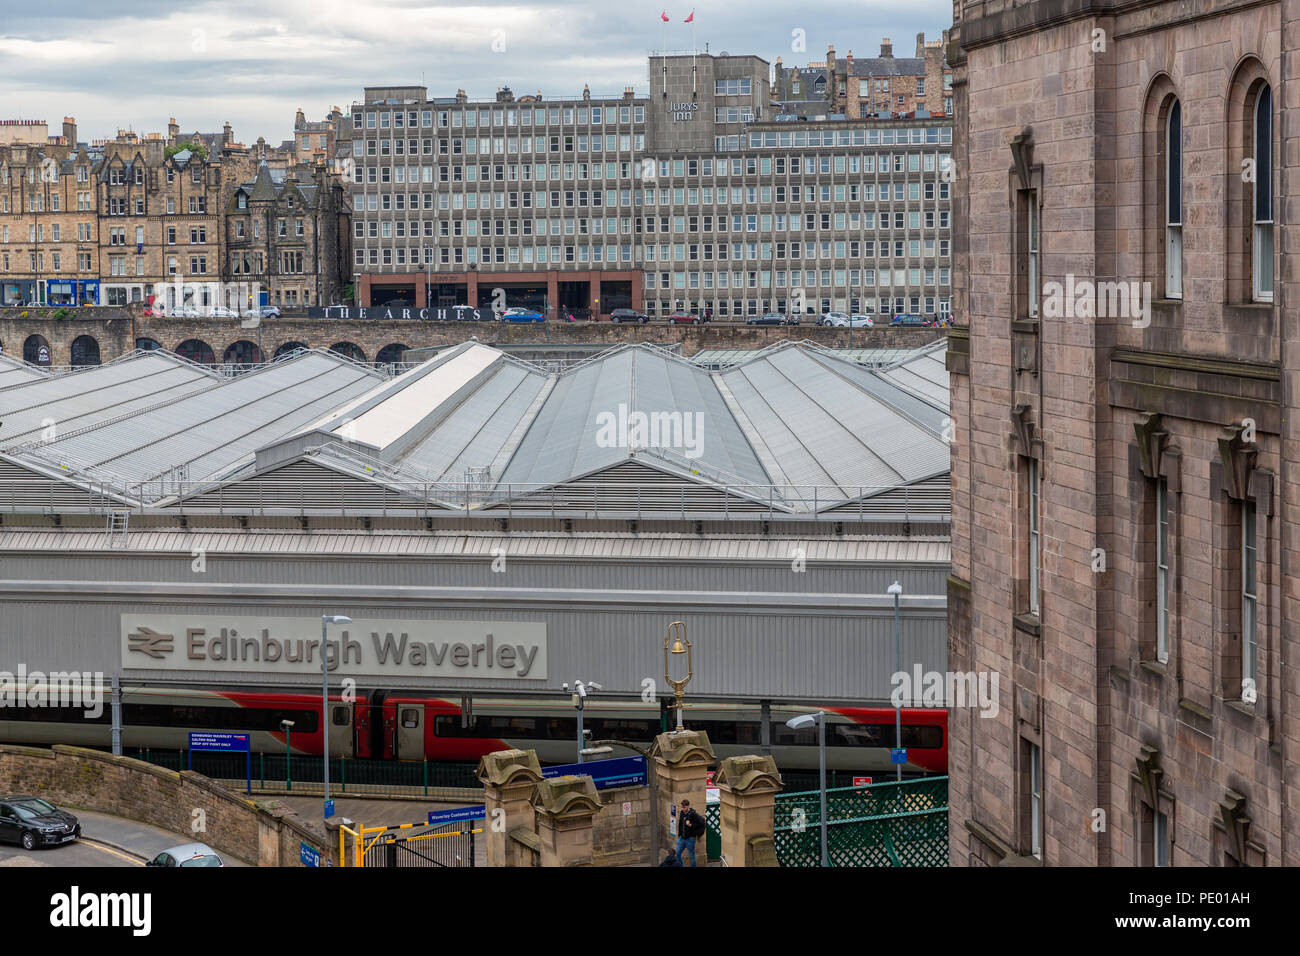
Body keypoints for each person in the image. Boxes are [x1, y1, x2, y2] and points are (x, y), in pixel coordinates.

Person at [675, 798, 705, 867]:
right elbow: (680, 824)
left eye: (684, 807)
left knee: (691, 855)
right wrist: (679, 835)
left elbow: (700, 824)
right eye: (682, 807)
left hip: (690, 838)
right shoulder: (682, 813)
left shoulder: (693, 814)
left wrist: (691, 825)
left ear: (688, 806)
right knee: (677, 853)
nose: (683, 809)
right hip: (682, 838)